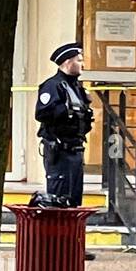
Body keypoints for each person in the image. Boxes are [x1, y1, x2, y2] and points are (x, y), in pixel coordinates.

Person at [36, 41, 96, 259]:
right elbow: (42, 113)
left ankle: (73, 246)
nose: (82, 64)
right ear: (67, 62)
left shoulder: (77, 87)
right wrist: (65, 110)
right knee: (58, 199)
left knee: (74, 199)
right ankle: (55, 248)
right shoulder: (53, 86)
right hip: (59, 151)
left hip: (76, 149)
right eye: (79, 60)